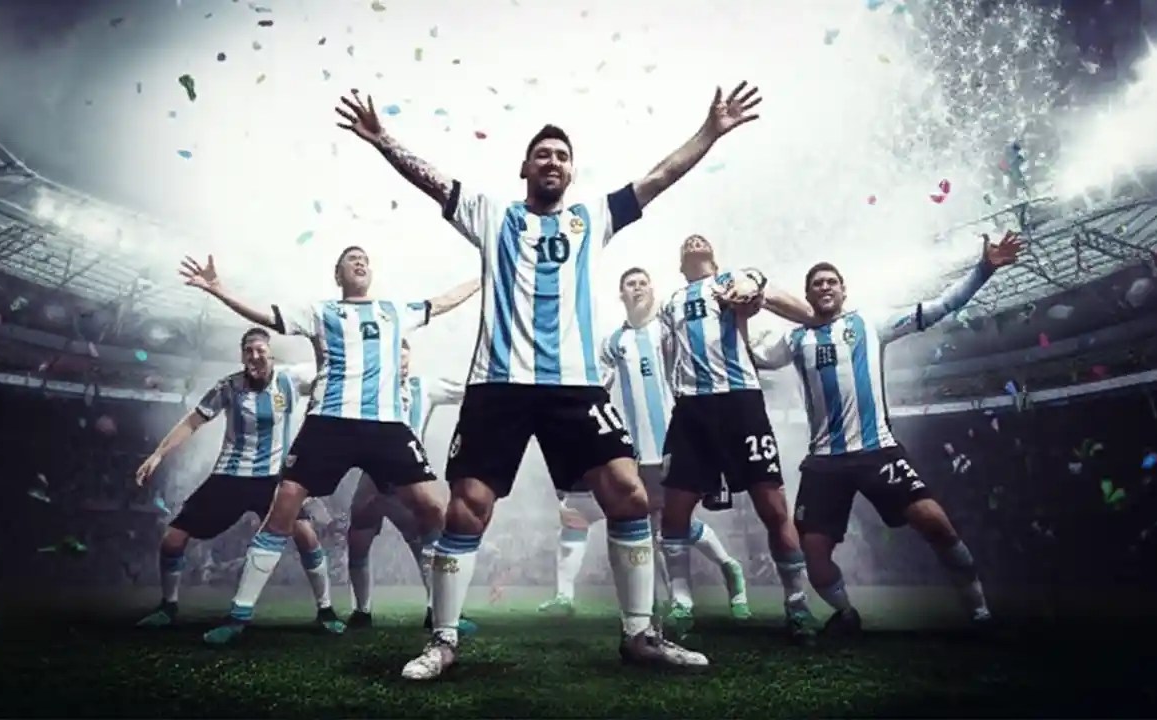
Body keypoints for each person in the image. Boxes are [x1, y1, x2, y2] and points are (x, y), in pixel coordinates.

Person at [333, 77, 764, 679]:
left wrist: (710, 132)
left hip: (575, 386)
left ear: (571, 171)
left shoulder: (594, 219)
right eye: (543, 154)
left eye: (562, 156)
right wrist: (383, 140)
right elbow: (432, 179)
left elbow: (659, 177)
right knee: (468, 507)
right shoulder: (490, 215)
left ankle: (640, 634)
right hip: (499, 385)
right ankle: (444, 641)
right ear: (525, 167)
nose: (553, 162)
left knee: (629, 493)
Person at [178, 247, 481, 645]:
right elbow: (267, 316)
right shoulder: (321, 312)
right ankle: (238, 615)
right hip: (329, 422)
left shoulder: (394, 311)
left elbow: (442, 301)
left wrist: (485, 276)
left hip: (386, 424)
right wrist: (218, 289)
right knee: (283, 506)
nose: (360, 262)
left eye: (365, 259)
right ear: (337, 274)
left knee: (434, 508)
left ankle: (443, 614)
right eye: (350, 259)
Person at [746, 232, 1022, 633]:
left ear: (843, 290)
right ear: (806, 296)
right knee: (814, 550)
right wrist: (736, 314)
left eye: (831, 282)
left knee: (938, 525)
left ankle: (979, 612)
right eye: (816, 284)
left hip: (879, 452)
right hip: (825, 461)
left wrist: (984, 270)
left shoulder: (869, 322)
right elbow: (756, 358)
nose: (824, 287)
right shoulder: (794, 338)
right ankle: (846, 614)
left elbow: (940, 307)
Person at [538, 267, 750, 621]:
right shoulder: (613, 343)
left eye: (641, 283)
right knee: (637, 521)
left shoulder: (668, 330)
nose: (636, 288)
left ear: (652, 290)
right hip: (636, 451)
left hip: (677, 441)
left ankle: (723, 571)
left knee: (671, 523)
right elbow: (595, 385)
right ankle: (672, 598)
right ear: (621, 295)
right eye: (629, 284)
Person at [657, 234, 822, 643]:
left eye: (702, 239)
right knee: (674, 510)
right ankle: (681, 604)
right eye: (686, 244)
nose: (694, 240)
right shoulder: (670, 301)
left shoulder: (736, 278)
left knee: (772, 503)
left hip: (740, 403)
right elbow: (666, 355)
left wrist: (758, 290)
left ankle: (798, 604)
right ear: (681, 265)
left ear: (715, 256)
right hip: (692, 409)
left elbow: (802, 311)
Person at [133, 328, 342, 633]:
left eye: (260, 350)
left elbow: (329, 376)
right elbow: (193, 420)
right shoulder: (229, 387)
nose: (255, 356)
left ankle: (326, 610)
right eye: (249, 351)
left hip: (274, 479)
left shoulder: (291, 379)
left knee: (307, 537)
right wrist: (158, 454)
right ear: (243, 356)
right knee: (172, 540)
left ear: (271, 353)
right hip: (230, 477)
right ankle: (168, 606)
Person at [345, 338, 480, 636]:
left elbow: (466, 390)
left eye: (406, 359)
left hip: (409, 476)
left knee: (427, 541)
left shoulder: (424, 386)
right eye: (397, 359)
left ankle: (437, 610)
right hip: (373, 479)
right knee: (358, 538)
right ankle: (361, 610)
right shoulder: (367, 387)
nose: (402, 366)